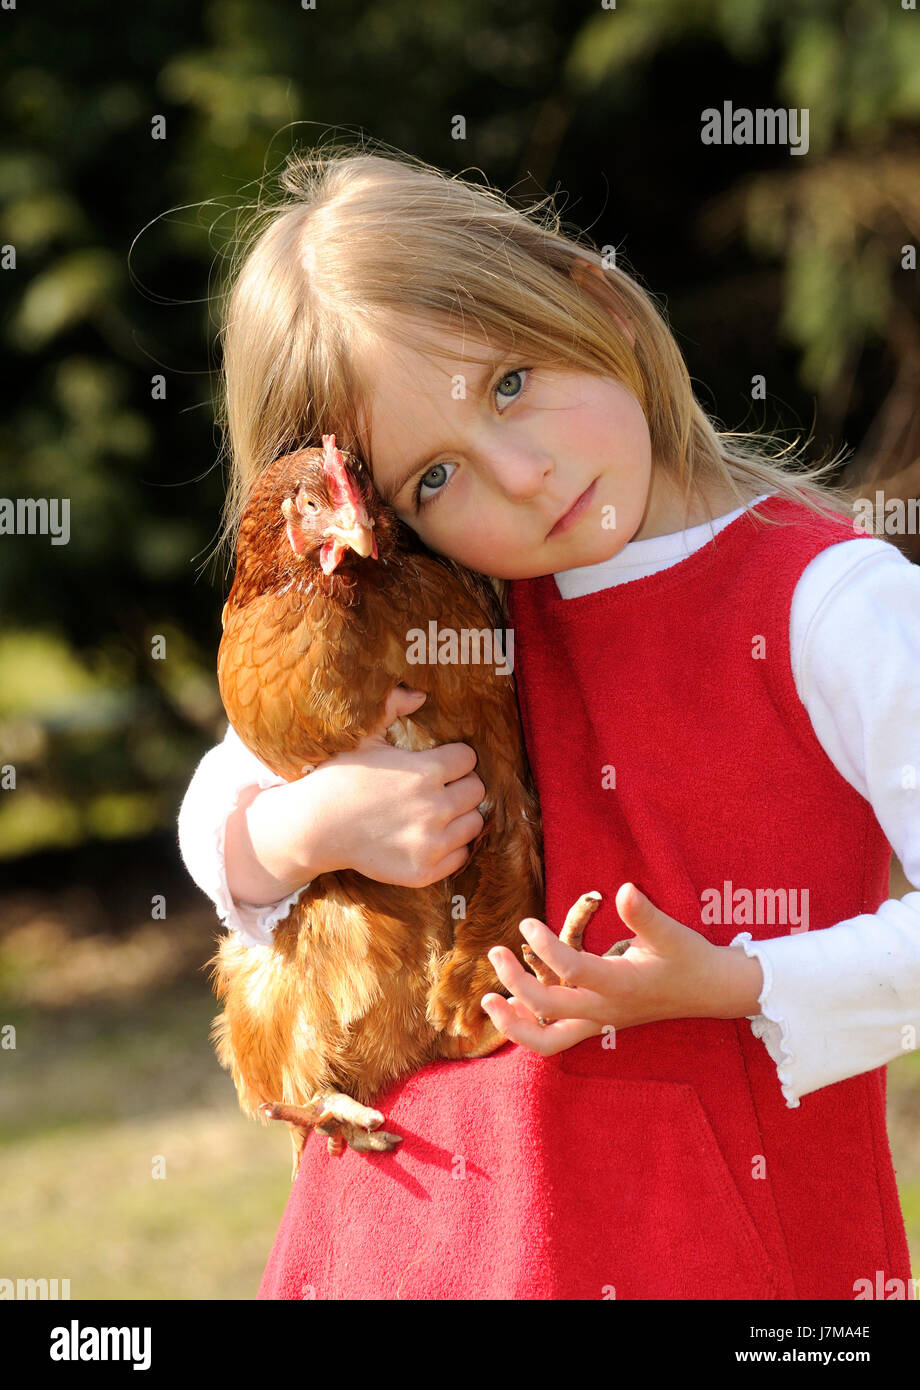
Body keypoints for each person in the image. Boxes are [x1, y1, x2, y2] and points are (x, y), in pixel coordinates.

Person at [178, 147, 920, 1299]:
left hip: (706, 1253)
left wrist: (735, 979)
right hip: (407, 1240)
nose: (517, 477)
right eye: (433, 478)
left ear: (596, 304)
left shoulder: (824, 603)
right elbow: (221, 798)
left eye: (508, 383)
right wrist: (308, 829)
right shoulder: (435, 608)